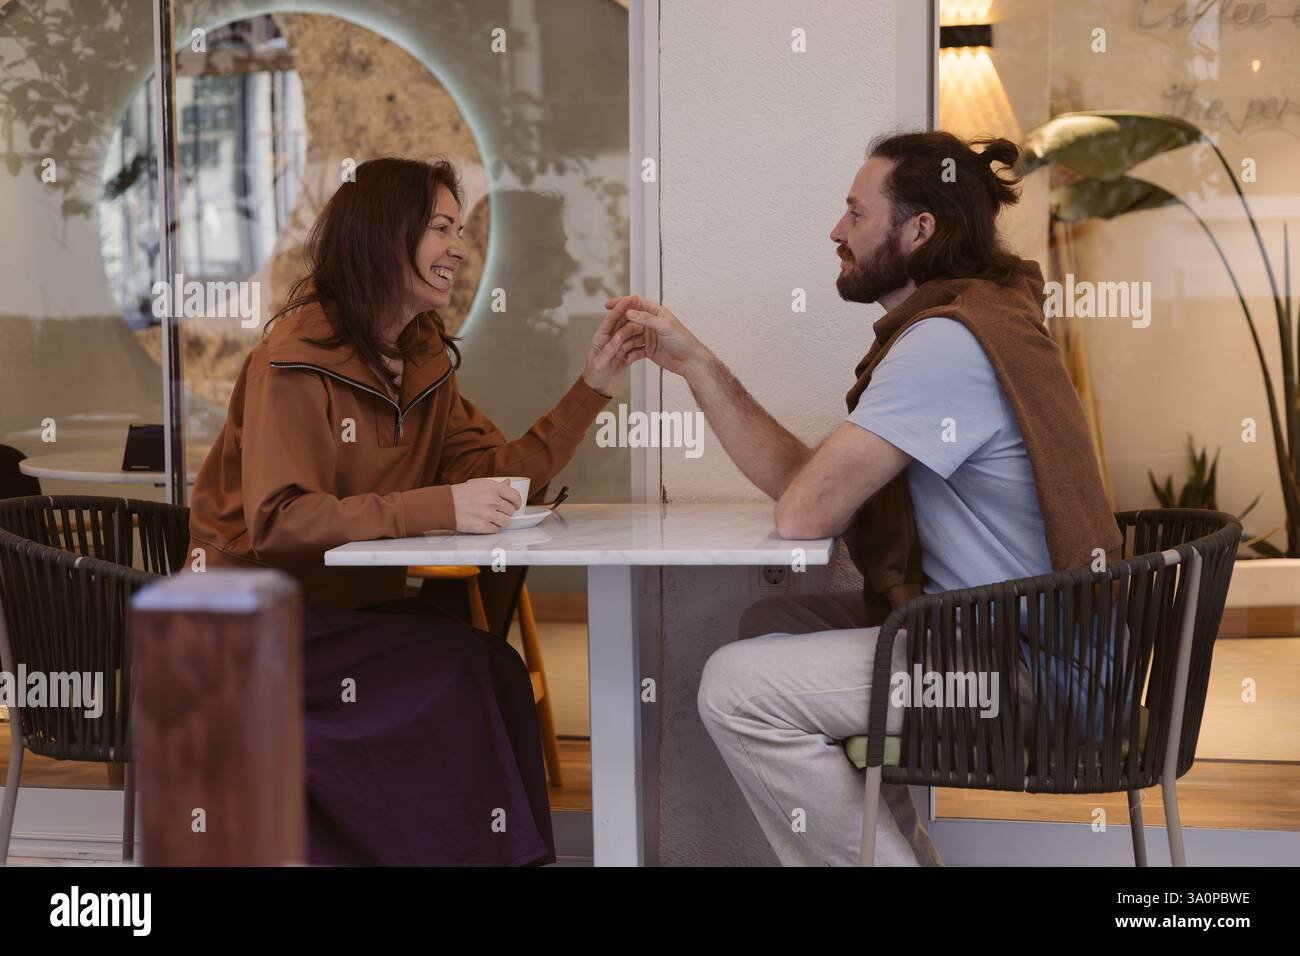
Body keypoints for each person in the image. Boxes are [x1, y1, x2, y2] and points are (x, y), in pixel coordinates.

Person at [605, 131, 1121, 866]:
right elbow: (810, 487)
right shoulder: (979, 317)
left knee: (735, 688)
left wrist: (714, 384)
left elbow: (803, 513)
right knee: (766, 622)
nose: (836, 232)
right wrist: (697, 366)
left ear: (919, 231)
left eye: (855, 213)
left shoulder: (948, 344)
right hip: (1013, 636)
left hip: (1028, 673)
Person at [186, 156, 645, 866]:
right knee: (459, 667)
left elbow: (498, 476)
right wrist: (437, 505)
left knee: (493, 666)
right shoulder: (292, 362)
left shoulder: (421, 358)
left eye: (457, 230)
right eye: (441, 229)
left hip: (343, 616)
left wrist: (592, 387)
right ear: (384, 236)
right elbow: (280, 521)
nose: (460, 248)